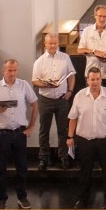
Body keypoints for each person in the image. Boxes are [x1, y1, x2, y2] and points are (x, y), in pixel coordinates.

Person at [0, 59, 37, 209]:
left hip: (19, 132)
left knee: (22, 167)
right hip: (3, 133)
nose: (12, 73)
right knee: (0, 167)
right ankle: (1, 198)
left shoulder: (24, 85)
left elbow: (34, 104)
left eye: (14, 70)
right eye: (9, 70)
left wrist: (31, 126)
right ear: (3, 71)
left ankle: (22, 196)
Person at [67, 66, 106, 209]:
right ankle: (82, 199)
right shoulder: (79, 96)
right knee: (85, 172)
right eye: (92, 79)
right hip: (85, 140)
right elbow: (73, 118)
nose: (95, 82)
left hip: (105, 140)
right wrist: (70, 136)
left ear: (101, 80)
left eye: (97, 79)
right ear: (87, 80)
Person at [32, 33, 77, 172]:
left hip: (61, 99)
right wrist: (47, 85)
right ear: (45, 44)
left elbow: (71, 75)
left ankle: (63, 157)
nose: (53, 46)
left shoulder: (65, 58)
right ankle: (44, 158)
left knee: (63, 130)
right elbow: (35, 80)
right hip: (45, 100)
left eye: (55, 43)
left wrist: (70, 91)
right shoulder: (39, 61)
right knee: (44, 131)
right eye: (50, 43)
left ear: (58, 43)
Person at [78, 5, 106, 93]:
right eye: (100, 16)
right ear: (95, 15)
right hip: (91, 74)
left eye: (104, 16)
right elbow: (80, 50)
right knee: (91, 100)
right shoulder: (87, 30)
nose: (102, 19)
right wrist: (94, 51)